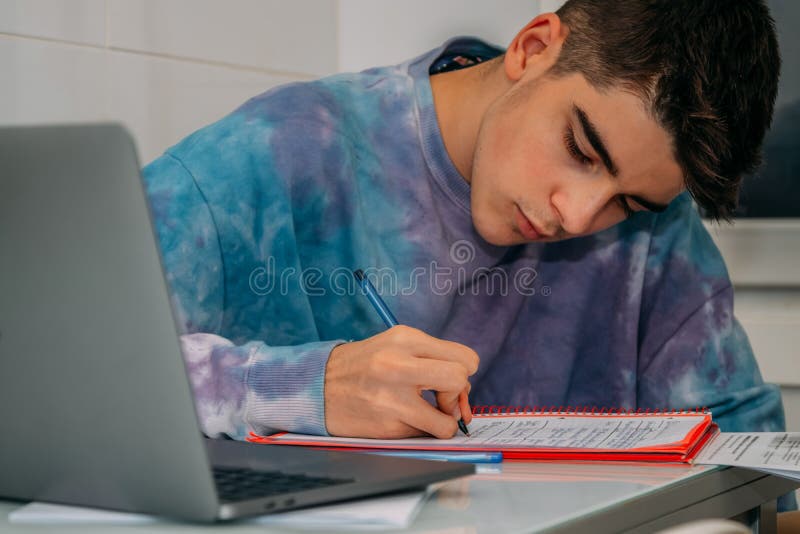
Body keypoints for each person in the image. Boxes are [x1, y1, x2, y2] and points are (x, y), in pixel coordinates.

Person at [142, 0, 784, 445]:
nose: (580, 215)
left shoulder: (658, 232)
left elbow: (744, 452)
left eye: (628, 203)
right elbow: (60, 356)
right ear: (534, 49)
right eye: (581, 149)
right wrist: (307, 387)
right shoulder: (282, 150)